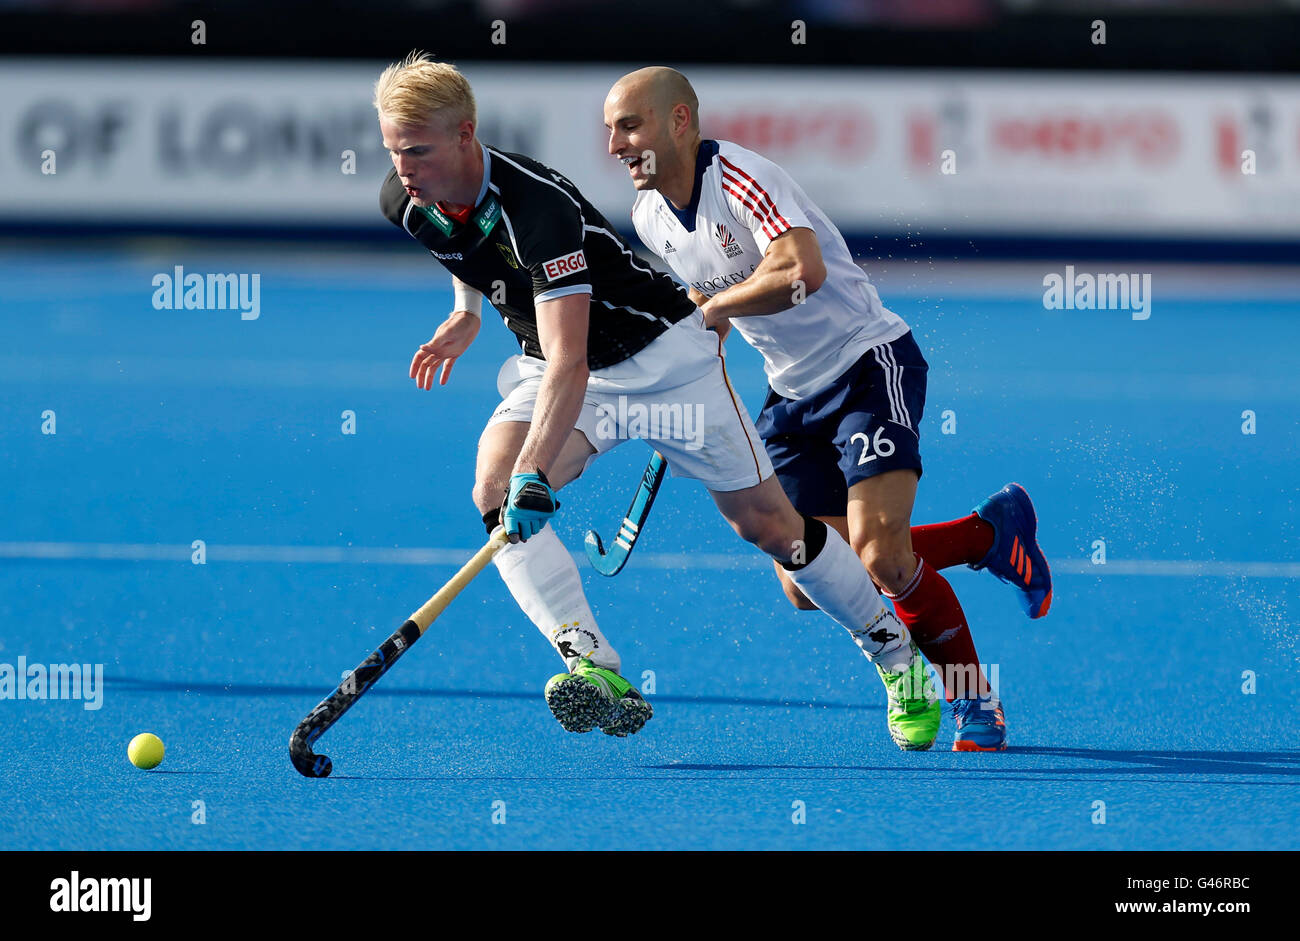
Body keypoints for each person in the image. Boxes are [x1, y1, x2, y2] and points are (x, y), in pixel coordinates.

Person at [374, 52, 941, 747]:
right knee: (491, 485)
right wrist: (466, 311)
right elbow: (462, 248)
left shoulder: (539, 208)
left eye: (418, 150)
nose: (404, 166)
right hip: (556, 365)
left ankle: (895, 655)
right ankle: (591, 660)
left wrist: (537, 471)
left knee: (770, 528)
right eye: (393, 149)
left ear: (465, 136)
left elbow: (572, 359)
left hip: (661, 360)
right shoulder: (404, 200)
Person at [604, 67, 1055, 751]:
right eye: (609, 129)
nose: (614, 144)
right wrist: (697, 353)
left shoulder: (741, 179)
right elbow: (716, 306)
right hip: (791, 392)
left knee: (881, 556)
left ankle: (973, 700)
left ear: (679, 122)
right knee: (804, 576)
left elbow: (798, 272)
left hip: (868, 366)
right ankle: (986, 537)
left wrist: (715, 309)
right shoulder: (649, 218)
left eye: (629, 125)